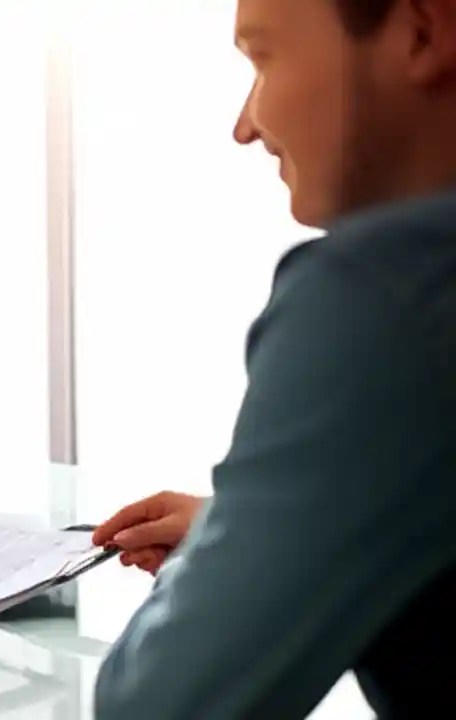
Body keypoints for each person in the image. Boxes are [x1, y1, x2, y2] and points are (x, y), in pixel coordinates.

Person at [90, 0, 456, 717]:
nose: (246, 125)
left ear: (422, 29)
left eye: (262, 58)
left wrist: (219, 565)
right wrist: (269, 526)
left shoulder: (386, 297)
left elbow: (155, 706)